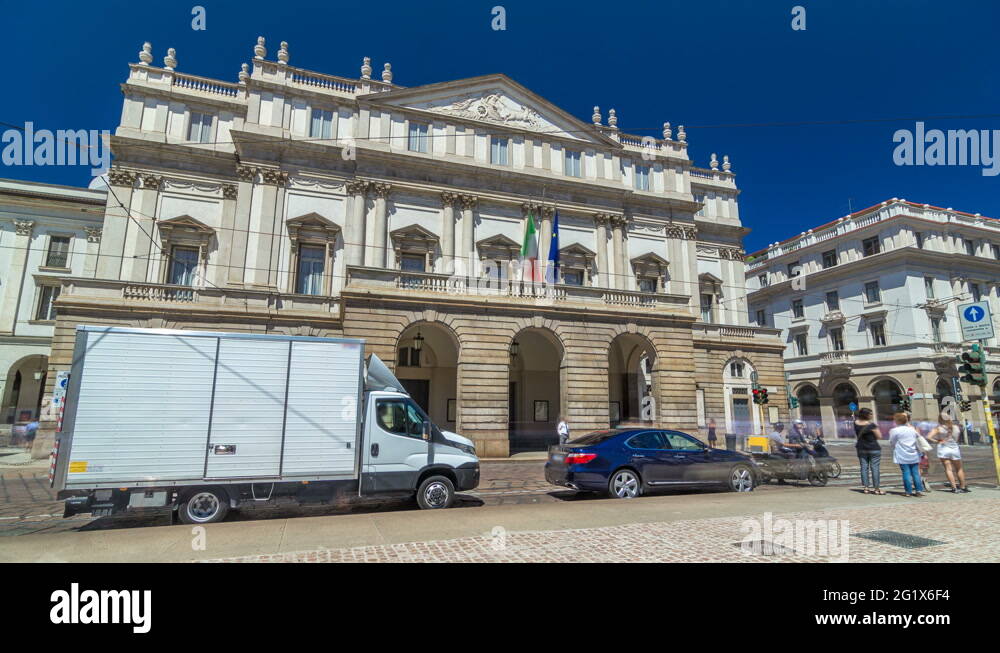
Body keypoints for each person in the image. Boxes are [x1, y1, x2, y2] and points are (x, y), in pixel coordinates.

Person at [930, 412, 969, 493]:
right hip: (954, 448)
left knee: (948, 469)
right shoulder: (956, 427)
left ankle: (954, 488)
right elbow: (957, 438)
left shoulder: (938, 428)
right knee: (959, 468)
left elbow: (929, 437)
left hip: (943, 448)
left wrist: (937, 441)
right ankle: (963, 486)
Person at [889, 412, 924, 497]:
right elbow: (918, 440)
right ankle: (918, 490)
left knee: (906, 472)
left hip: (902, 454)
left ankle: (908, 491)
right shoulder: (912, 430)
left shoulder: (895, 430)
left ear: (897, 421)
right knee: (915, 472)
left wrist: (896, 446)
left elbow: (892, 442)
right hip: (913, 453)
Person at [854, 408, 883, 495]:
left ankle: (866, 488)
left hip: (861, 448)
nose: (872, 415)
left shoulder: (855, 423)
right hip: (873, 448)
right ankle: (876, 489)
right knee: (875, 468)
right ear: (866, 415)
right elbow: (879, 436)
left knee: (864, 468)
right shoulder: (871, 425)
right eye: (870, 414)